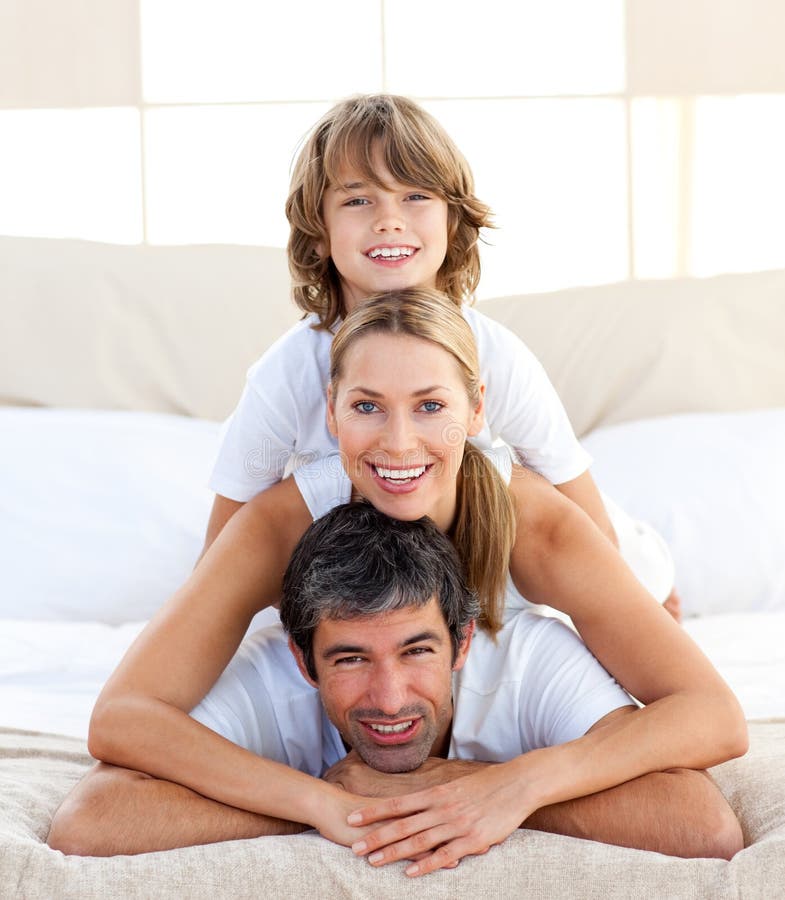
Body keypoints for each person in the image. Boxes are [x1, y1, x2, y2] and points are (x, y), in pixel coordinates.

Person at [48, 290, 747, 870]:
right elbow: (125, 716)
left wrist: (506, 784)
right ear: (330, 411)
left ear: (478, 409)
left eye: (430, 406)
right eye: (366, 406)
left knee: (640, 590)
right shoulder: (275, 529)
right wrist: (320, 800)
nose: (399, 441)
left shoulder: (540, 532)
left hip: (617, 561)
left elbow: (709, 714)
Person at [48, 504, 743, 870]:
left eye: (416, 651)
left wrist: (482, 790)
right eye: (349, 659)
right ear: (303, 660)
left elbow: (701, 825)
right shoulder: (265, 672)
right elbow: (92, 821)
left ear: (463, 642)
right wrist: (323, 801)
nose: (387, 699)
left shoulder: (530, 657)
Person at [204, 92, 680, 619]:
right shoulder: (285, 374)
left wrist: (642, 606)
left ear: (452, 222)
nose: (389, 220)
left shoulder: (496, 354)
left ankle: (659, 575)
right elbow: (221, 558)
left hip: (477, 555)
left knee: (637, 568)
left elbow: (587, 524)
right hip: (364, 569)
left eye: (415, 196)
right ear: (318, 234)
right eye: (358, 200)